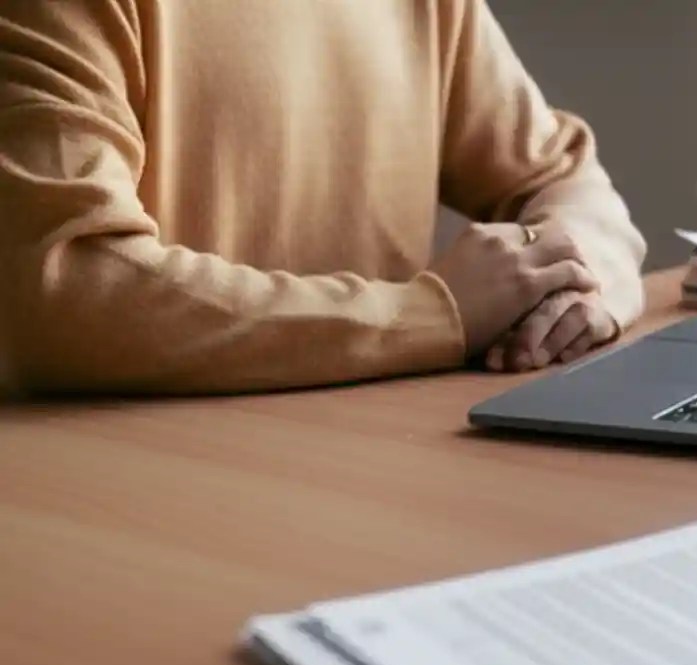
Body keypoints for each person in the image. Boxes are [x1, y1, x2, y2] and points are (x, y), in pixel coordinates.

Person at [0, 0, 646, 397]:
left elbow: (563, 178)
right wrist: (428, 315)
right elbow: (64, 286)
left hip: (372, 462)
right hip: (133, 484)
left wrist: (578, 293)